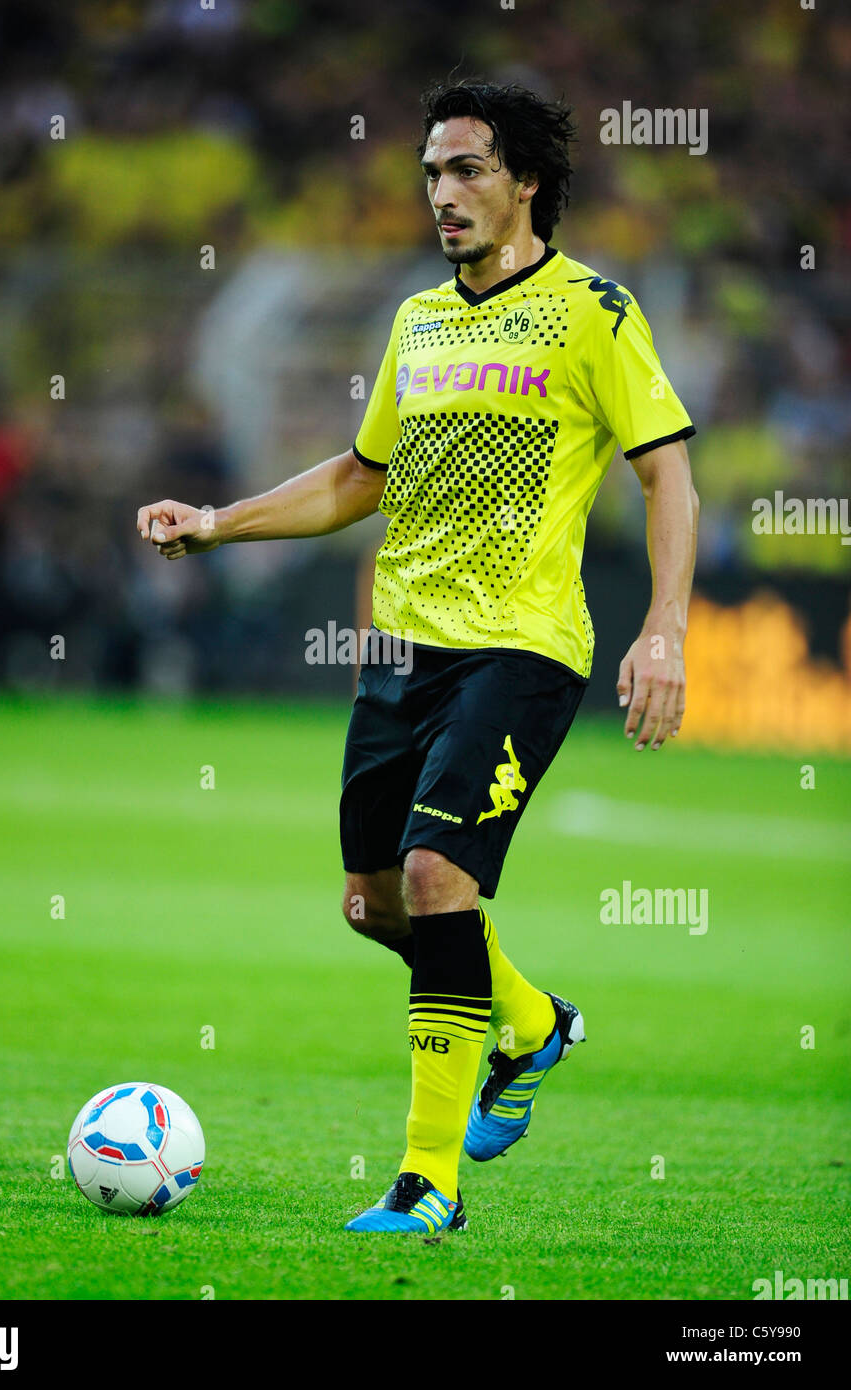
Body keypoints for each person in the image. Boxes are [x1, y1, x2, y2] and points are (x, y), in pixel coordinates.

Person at [137, 80, 699, 1235]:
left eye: (469, 170)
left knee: (443, 880)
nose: (443, 194)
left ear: (527, 179)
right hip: (400, 650)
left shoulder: (595, 311)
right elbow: (359, 477)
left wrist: (666, 626)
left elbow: (666, 471)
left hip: (522, 646)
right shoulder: (418, 321)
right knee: (374, 902)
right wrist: (217, 518)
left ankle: (426, 1184)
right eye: (432, 173)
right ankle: (533, 1024)